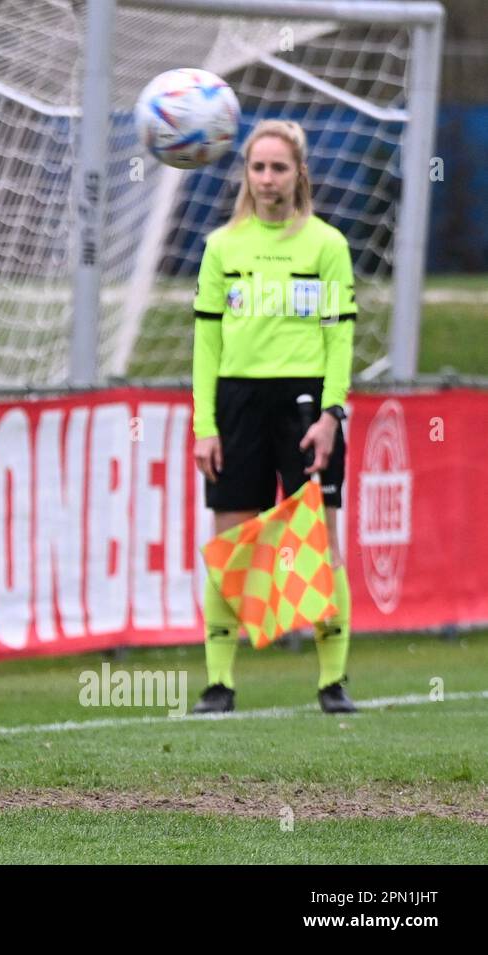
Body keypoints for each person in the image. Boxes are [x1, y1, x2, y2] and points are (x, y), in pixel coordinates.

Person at [190, 119, 357, 715]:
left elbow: (340, 338)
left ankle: (332, 684)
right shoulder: (221, 248)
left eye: (278, 167)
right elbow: (205, 346)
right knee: (232, 546)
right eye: (257, 167)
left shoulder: (326, 246)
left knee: (321, 543)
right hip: (237, 404)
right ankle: (218, 684)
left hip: (307, 405)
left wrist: (332, 413)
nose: (267, 178)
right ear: (246, 174)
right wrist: (204, 425)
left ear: (299, 174)